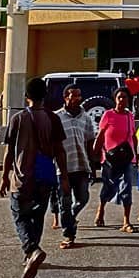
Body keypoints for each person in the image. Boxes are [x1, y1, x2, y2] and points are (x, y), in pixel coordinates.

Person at [0, 76, 70, 278]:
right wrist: (64, 177)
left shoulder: (18, 119)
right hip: (46, 177)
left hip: (23, 177)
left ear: (26, 96)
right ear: (45, 96)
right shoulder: (53, 118)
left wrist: (4, 176)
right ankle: (30, 254)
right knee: (37, 216)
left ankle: (31, 249)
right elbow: (60, 151)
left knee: (19, 214)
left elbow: (9, 152)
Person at [52, 84, 96, 247]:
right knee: (64, 201)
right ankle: (68, 235)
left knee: (83, 198)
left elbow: (90, 140)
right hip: (62, 168)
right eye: (73, 95)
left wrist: (93, 164)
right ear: (65, 97)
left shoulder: (86, 117)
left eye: (79, 95)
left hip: (82, 165)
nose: (76, 98)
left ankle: (70, 218)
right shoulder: (56, 117)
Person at [92, 87, 137, 233]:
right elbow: (100, 136)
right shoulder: (108, 115)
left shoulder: (130, 116)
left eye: (125, 97)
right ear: (115, 99)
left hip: (126, 158)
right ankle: (101, 209)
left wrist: (137, 155)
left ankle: (126, 221)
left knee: (127, 186)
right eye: (119, 97)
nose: (122, 100)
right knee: (108, 186)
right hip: (110, 158)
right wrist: (95, 153)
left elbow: (133, 136)